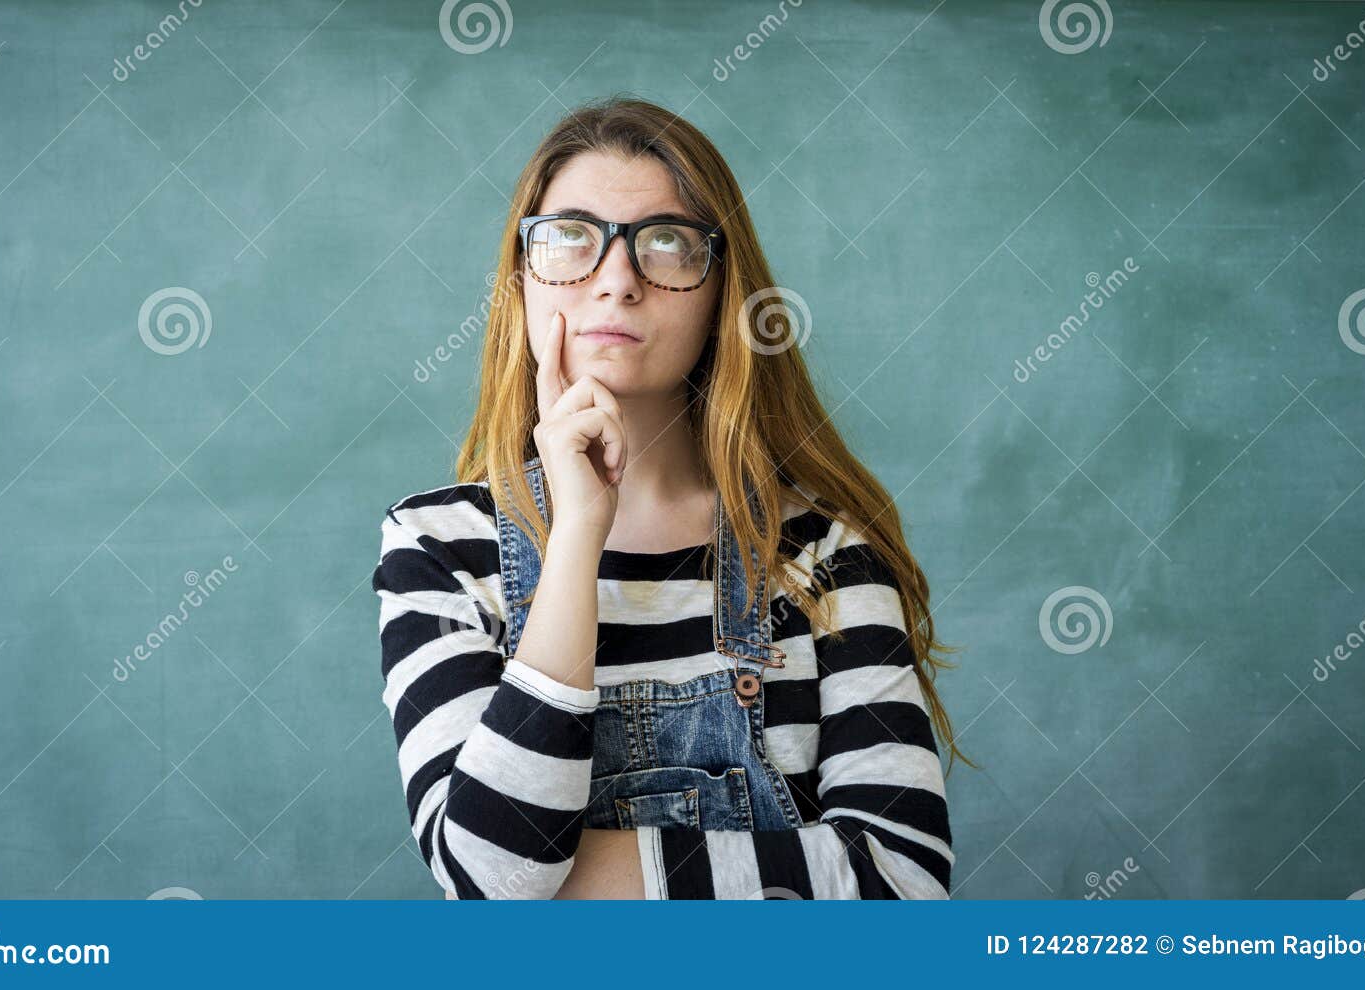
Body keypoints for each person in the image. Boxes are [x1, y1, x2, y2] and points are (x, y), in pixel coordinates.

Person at [371, 95, 969, 899]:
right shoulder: (437, 546)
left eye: (666, 244)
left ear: (722, 290)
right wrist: (579, 532)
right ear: (522, 280)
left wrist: (572, 891)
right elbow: (489, 876)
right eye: (571, 238)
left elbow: (900, 883)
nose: (617, 280)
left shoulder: (828, 557)